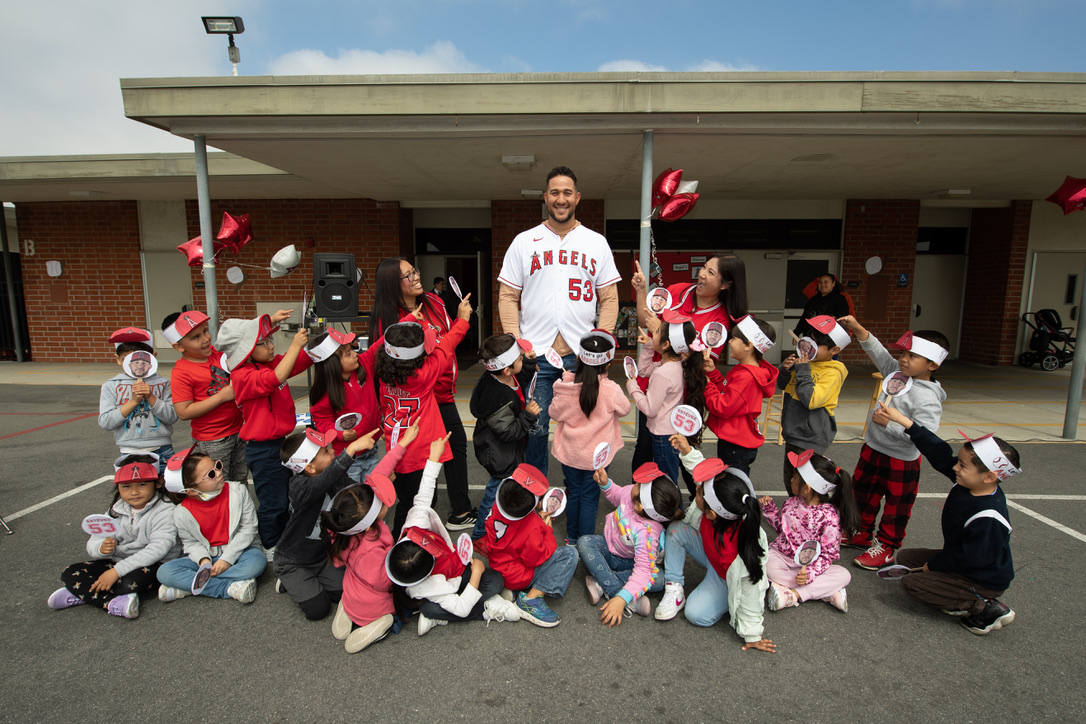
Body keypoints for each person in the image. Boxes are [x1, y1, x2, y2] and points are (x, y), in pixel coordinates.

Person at [497, 166, 622, 475]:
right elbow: (508, 297)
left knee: (580, 428)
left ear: (577, 198)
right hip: (535, 354)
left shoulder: (595, 242)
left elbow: (609, 298)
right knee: (535, 428)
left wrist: (601, 344)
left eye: (567, 192)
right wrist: (516, 342)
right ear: (546, 197)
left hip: (581, 358)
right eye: (555, 192)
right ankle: (535, 493)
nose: (561, 199)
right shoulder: (525, 242)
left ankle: (575, 493)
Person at [876, 402, 1019, 635]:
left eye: (962, 465)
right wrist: (904, 421)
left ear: (989, 476)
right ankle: (952, 592)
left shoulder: (989, 516)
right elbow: (938, 451)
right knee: (907, 557)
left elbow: (971, 557)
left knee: (913, 584)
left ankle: (984, 606)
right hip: (963, 561)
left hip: (981, 576)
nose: (954, 467)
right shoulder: (967, 482)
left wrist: (934, 566)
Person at [371, 258, 476, 531]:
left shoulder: (433, 301)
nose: (416, 277)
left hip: (440, 392)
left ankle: (459, 511)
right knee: (420, 465)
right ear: (393, 285)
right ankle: (410, 533)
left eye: (414, 271)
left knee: (455, 448)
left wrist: (458, 322)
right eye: (408, 275)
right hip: (420, 397)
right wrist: (462, 323)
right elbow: (443, 348)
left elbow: (446, 342)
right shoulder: (388, 319)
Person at [836, 317, 949, 570]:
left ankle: (887, 546)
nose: (904, 359)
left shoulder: (929, 398)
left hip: (901, 458)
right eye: (904, 353)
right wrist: (859, 329)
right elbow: (879, 353)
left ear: (933, 364)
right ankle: (860, 532)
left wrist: (891, 425)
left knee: (897, 505)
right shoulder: (896, 374)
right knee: (862, 493)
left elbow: (926, 436)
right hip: (873, 448)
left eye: (913, 356)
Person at [384, 433, 522, 635]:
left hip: (454, 573)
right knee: (431, 606)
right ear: (427, 568)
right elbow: (461, 607)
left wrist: (433, 458)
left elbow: (423, 497)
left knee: (497, 580)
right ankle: (483, 609)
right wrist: (475, 574)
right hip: (446, 587)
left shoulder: (414, 526)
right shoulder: (426, 586)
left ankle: (440, 614)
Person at [629, 254, 748, 481]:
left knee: (678, 453)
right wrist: (642, 291)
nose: (701, 274)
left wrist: (661, 328)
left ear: (726, 285)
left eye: (711, 272)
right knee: (644, 447)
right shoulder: (678, 291)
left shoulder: (720, 320)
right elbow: (646, 321)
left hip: (683, 397)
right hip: (654, 386)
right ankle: (640, 498)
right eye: (704, 267)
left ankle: (684, 499)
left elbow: (697, 361)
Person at [655, 438, 775, 653]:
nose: (697, 490)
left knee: (696, 615)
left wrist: (752, 633)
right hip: (711, 556)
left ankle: (729, 601)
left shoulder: (744, 549)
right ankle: (674, 588)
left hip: (724, 577)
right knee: (675, 529)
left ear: (710, 513)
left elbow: (751, 591)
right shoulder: (724, 506)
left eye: (700, 492)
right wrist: (688, 451)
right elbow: (704, 475)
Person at [274, 424, 392, 622]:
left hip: (322, 557)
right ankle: (289, 578)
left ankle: (305, 583)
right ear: (310, 468)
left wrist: (380, 483)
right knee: (318, 609)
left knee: (341, 592)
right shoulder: (299, 487)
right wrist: (350, 451)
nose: (333, 452)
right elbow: (320, 484)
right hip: (294, 561)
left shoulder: (333, 476)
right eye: (326, 451)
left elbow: (355, 494)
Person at [216, 310, 311, 557]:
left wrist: (320, 346)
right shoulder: (242, 375)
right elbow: (278, 376)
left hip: (281, 442)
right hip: (263, 449)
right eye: (264, 343)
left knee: (287, 496)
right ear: (245, 350)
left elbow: (298, 362)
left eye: (270, 341)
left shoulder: (266, 363)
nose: (270, 347)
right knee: (273, 502)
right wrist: (295, 345)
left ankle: (285, 539)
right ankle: (270, 545)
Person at [47, 455, 181, 619]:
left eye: (142, 484)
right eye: (126, 486)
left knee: (132, 581)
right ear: (118, 487)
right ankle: (111, 602)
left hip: (155, 564)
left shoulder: (166, 509)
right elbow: (94, 540)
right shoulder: (116, 509)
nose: (134, 492)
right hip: (119, 562)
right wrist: (101, 549)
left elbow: (157, 550)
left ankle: (83, 592)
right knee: (70, 572)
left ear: (158, 483)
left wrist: (116, 572)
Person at [321, 446, 408, 653]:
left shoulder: (344, 528)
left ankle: (347, 609)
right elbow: (385, 582)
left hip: (354, 593)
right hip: (375, 606)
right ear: (369, 524)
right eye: (382, 503)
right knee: (400, 614)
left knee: (354, 586)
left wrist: (400, 446)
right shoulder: (370, 550)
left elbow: (376, 477)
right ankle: (378, 625)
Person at [549, 330, 630, 543]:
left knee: (574, 494)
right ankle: (586, 542)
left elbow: (553, 413)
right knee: (590, 498)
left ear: (578, 359)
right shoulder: (611, 389)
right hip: (598, 457)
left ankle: (572, 537)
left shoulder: (566, 389)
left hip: (571, 454)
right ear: (608, 365)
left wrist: (567, 380)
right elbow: (625, 409)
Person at [576, 464, 682, 625]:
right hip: (609, 548)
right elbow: (617, 494)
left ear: (639, 506)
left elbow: (643, 570)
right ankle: (624, 597)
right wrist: (606, 484)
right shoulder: (632, 494)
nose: (635, 483)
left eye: (639, 485)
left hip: (631, 562)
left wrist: (621, 600)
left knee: (659, 579)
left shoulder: (647, 533)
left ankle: (601, 583)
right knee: (585, 542)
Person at [156, 449, 267, 603]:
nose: (219, 472)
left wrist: (226, 560)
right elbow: (190, 543)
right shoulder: (181, 512)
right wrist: (204, 561)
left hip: (240, 552)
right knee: (164, 572)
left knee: (257, 562)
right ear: (191, 491)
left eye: (217, 466)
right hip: (207, 557)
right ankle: (228, 588)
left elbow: (248, 529)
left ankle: (190, 587)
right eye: (211, 474)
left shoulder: (238, 491)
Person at [759, 449, 858, 613]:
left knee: (844, 574)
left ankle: (793, 594)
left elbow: (828, 554)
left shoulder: (830, 517)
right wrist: (769, 510)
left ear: (806, 488)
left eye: (795, 477)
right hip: (782, 557)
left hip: (811, 565)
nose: (791, 480)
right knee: (765, 563)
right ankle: (824, 592)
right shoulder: (791, 503)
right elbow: (782, 531)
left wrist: (810, 574)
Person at [482, 464, 580, 627]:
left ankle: (510, 591)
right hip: (518, 575)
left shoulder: (497, 507)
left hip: (498, 567)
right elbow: (535, 558)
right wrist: (547, 531)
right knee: (570, 555)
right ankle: (531, 600)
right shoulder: (534, 525)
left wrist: (537, 521)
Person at [468, 333, 540, 540]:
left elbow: (521, 376)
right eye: (519, 359)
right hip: (500, 453)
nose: (522, 359)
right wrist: (528, 417)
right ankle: (479, 534)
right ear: (507, 369)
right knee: (494, 492)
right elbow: (508, 432)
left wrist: (528, 363)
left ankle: (500, 525)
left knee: (501, 488)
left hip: (506, 451)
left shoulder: (503, 375)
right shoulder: (497, 398)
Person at [164, 310, 246, 482]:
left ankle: (239, 508)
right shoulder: (181, 372)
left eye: (205, 331)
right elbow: (183, 412)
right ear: (179, 347)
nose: (206, 338)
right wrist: (221, 397)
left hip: (239, 430)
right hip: (214, 440)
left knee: (240, 479)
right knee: (218, 482)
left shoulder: (216, 354)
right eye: (196, 337)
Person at [625, 312, 706, 487]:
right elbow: (645, 370)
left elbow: (649, 409)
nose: (652, 334)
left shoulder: (663, 372)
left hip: (663, 435)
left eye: (656, 333)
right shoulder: (676, 365)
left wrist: (633, 388)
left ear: (666, 344)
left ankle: (670, 510)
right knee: (667, 476)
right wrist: (648, 346)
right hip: (669, 431)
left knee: (666, 481)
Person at [776, 315, 850, 494]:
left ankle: (809, 514)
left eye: (816, 344)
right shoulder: (805, 364)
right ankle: (794, 510)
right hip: (793, 432)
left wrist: (802, 370)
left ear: (834, 350)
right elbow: (783, 385)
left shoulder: (833, 373)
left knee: (806, 481)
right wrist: (785, 369)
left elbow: (811, 400)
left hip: (811, 436)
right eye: (808, 340)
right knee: (791, 478)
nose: (808, 348)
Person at [703, 315, 779, 474]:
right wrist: (713, 373)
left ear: (748, 346)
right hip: (738, 440)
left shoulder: (746, 376)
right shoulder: (747, 370)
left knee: (732, 485)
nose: (729, 342)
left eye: (734, 338)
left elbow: (723, 406)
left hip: (736, 444)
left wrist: (707, 385)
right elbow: (727, 389)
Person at [307, 327, 384, 483]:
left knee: (370, 492)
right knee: (351, 497)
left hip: (371, 447)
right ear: (333, 364)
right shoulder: (326, 392)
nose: (356, 354)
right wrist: (340, 434)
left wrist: (407, 320)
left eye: (352, 350)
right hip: (347, 456)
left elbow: (378, 346)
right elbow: (321, 420)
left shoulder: (363, 364)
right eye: (348, 354)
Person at [99, 327, 177, 473]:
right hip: (129, 452)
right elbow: (106, 422)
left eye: (143, 361)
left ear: (153, 358)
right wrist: (133, 401)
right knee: (135, 493)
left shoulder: (164, 383)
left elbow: (172, 416)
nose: (138, 366)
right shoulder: (111, 386)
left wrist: (151, 397)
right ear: (118, 360)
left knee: (167, 492)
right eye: (129, 361)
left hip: (162, 450)